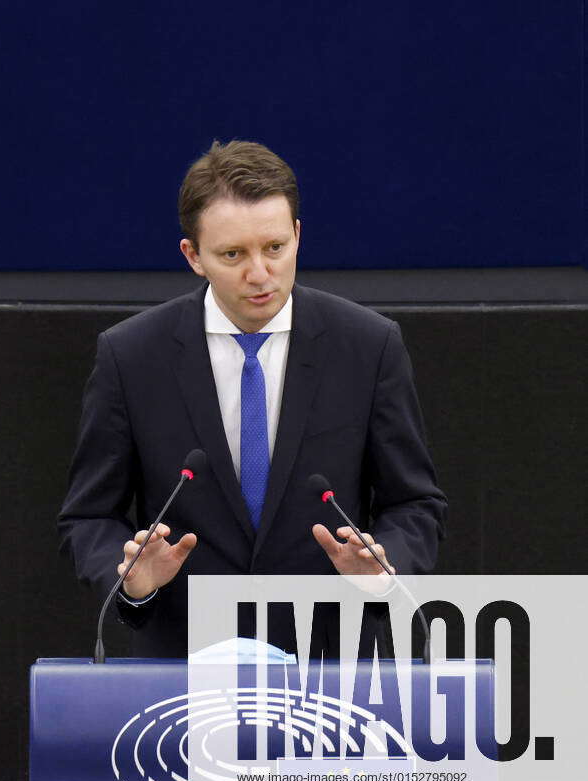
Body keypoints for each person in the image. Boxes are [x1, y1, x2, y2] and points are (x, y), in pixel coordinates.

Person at [58, 140, 447, 657]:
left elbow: (415, 503)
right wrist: (132, 578)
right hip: (184, 662)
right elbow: (89, 517)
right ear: (193, 256)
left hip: (330, 659)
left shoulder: (368, 345)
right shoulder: (131, 356)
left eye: (274, 248)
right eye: (233, 254)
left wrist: (381, 564)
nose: (260, 274)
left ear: (298, 237)